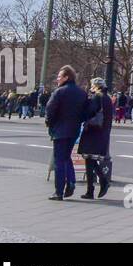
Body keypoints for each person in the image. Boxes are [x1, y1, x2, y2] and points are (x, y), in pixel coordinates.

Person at [45, 65, 90, 200]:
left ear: (66, 77)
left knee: (59, 160)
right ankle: (71, 182)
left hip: (60, 130)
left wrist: (50, 124)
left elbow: (50, 109)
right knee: (66, 157)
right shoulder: (82, 93)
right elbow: (85, 112)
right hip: (74, 129)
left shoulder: (59, 92)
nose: (57, 79)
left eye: (59, 76)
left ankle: (59, 191)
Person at [78, 77, 114, 199]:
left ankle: (96, 186)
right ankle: (96, 185)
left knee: (89, 160)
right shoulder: (108, 98)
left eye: (92, 85)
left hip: (93, 132)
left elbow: (89, 112)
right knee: (91, 160)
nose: (91, 87)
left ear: (96, 86)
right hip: (103, 132)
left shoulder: (97, 97)